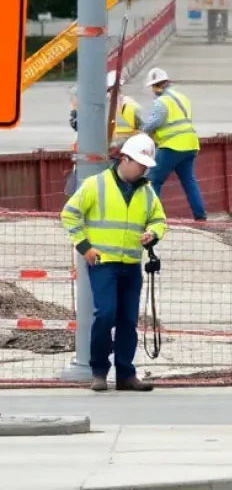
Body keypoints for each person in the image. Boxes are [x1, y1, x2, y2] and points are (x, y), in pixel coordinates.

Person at [60, 134, 166, 392]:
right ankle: (99, 371)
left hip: (130, 263)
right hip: (103, 263)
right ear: (125, 159)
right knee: (105, 315)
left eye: (146, 165)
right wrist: (84, 247)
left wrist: (153, 233)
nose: (143, 169)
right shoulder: (95, 185)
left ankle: (126, 375)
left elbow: (158, 219)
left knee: (128, 319)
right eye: (140, 164)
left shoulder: (146, 191)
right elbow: (69, 215)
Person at [140, 67, 207, 221]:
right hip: (190, 145)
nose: (152, 91)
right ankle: (200, 216)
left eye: (152, 87)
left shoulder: (161, 102)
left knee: (153, 179)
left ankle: (153, 217)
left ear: (157, 86)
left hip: (172, 146)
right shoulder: (183, 98)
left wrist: (142, 130)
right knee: (189, 181)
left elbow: (154, 123)